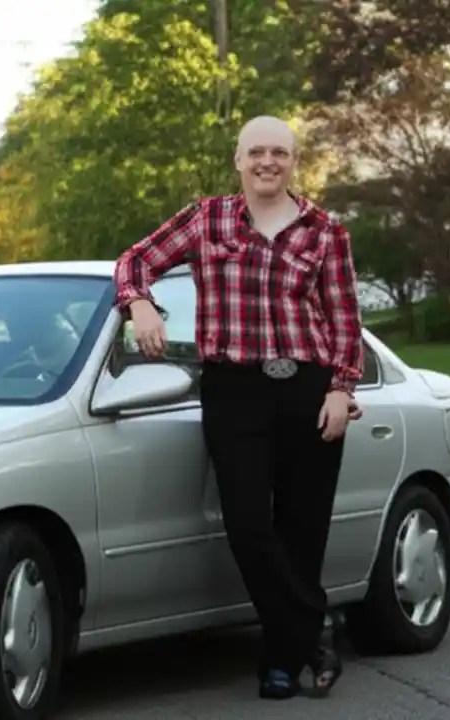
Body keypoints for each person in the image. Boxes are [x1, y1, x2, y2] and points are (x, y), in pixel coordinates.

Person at [112, 115, 364, 700]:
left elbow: (345, 321)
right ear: (238, 159)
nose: (267, 162)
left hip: (308, 389)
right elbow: (134, 261)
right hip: (235, 390)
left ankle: (280, 662)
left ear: (294, 161)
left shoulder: (326, 232)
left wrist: (339, 389)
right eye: (256, 152)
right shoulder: (208, 219)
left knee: (303, 533)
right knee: (249, 527)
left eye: (279, 152)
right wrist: (140, 307)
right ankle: (314, 629)